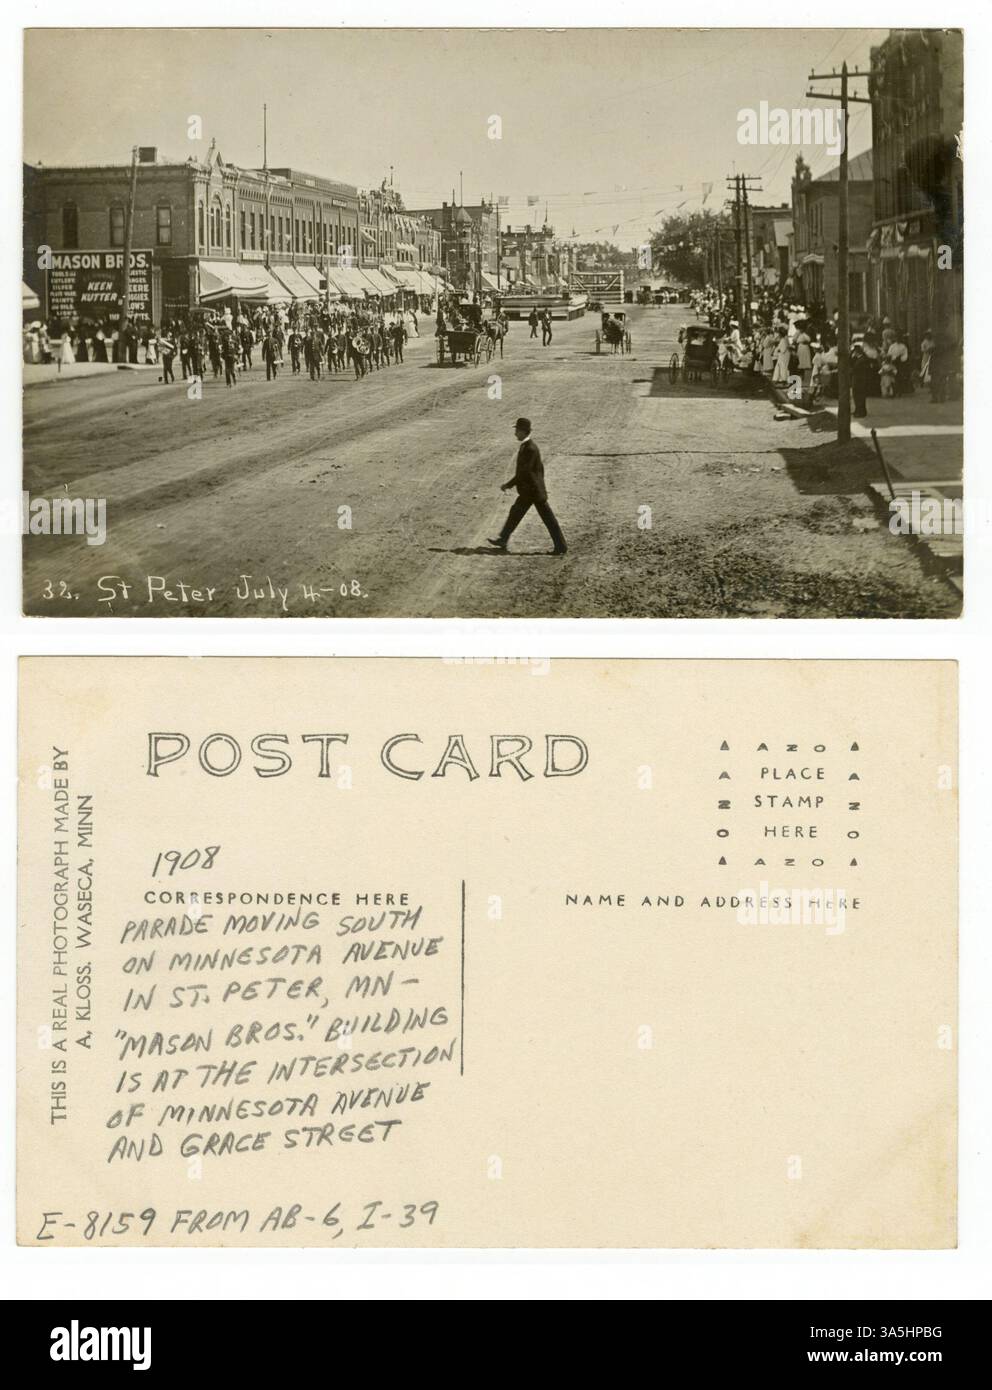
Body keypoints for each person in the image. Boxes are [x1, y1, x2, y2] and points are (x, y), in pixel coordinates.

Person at [488, 417, 568, 556]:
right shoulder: (528, 447)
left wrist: (508, 484)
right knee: (515, 513)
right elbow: (538, 469)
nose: (515, 434)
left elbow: (524, 472)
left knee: (548, 519)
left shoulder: (530, 448)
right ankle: (503, 540)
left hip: (533, 493)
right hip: (530, 491)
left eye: (517, 431)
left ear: (524, 431)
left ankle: (561, 546)